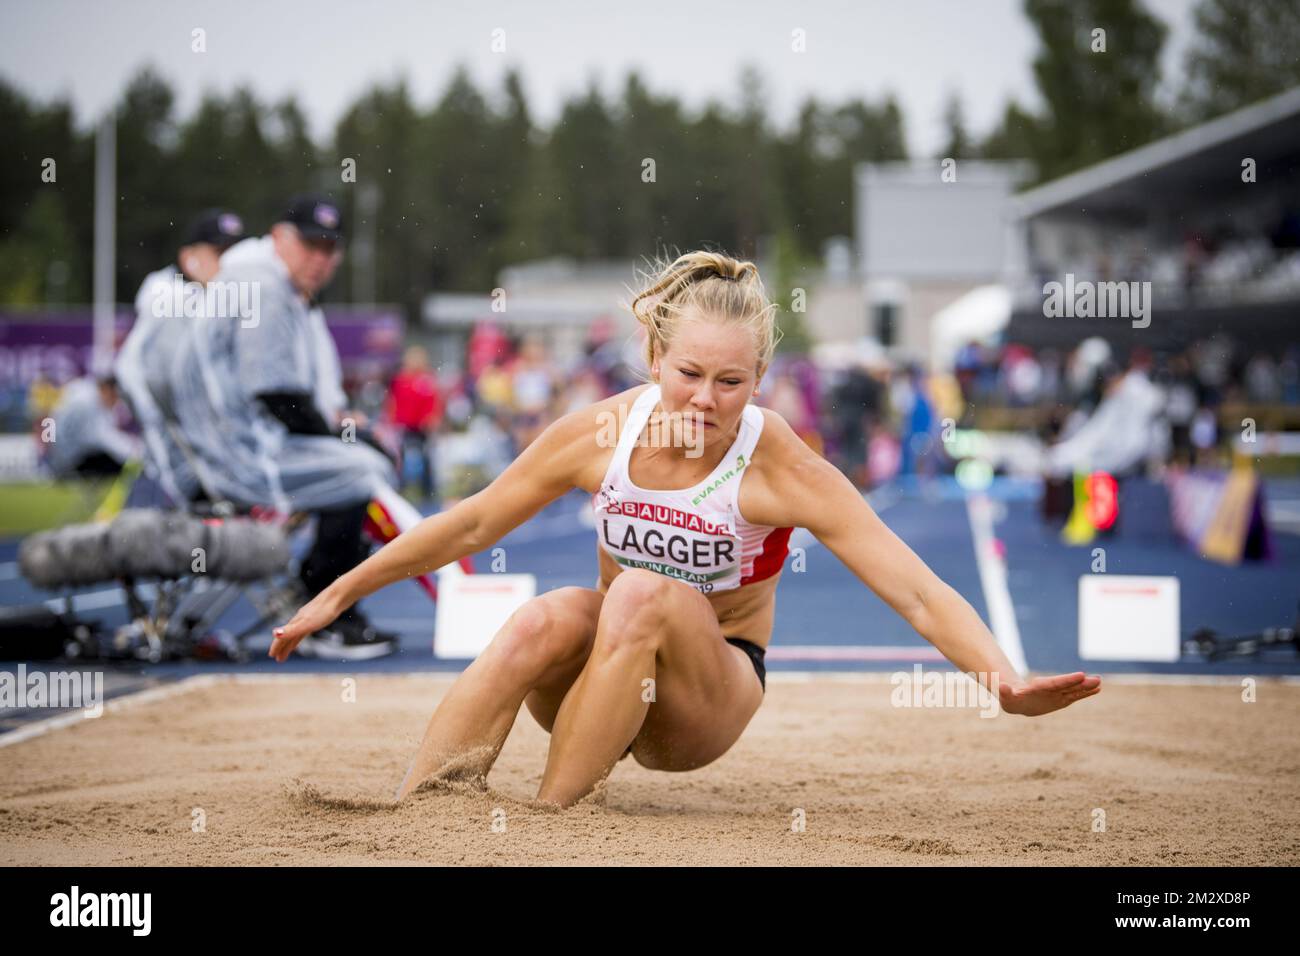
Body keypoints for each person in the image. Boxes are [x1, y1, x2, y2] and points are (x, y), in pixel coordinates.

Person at [270, 251, 1103, 807]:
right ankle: (424, 809)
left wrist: (1003, 681)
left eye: (732, 382)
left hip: (701, 703)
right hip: (597, 681)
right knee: (542, 616)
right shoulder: (601, 435)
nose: (706, 400)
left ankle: (544, 826)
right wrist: (339, 592)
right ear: (653, 357)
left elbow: (916, 591)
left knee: (637, 593)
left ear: (761, 379)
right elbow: (473, 521)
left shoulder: (779, 466)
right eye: (690, 375)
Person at [169, 194, 411, 659]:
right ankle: (322, 609)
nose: (320, 259)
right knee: (359, 469)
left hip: (224, 446)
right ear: (279, 238)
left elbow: (286, 396)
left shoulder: (266, 283)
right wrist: (342, 436)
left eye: (329, 249)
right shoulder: (264, 285)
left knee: (361, 454)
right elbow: (278, 395)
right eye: (310, 246)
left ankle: (322, 599)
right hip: (228, 458)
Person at [115, 208, 246, 503]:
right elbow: (135, 378)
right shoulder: (168, 300)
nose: (229, 263)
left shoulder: (231, 307)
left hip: (217, 467)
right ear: (188, 257)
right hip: (175, 467)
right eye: (219, 252)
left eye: (236, 253)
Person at [42, 374, 140, 479]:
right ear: (107, 389)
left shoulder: (81, 388)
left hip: (58, 450)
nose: (116, 402)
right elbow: (106, 438)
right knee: (121, 465)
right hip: (69, 459)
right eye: (115, 396)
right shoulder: (90, 403)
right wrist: (137, 452)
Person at [385, 345, 443, 501]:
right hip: (404, 425)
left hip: (422, 426)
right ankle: (401, 487)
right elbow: (393, 401)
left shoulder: (427, 380)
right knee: (402, 457)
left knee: (425, 456)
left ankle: (428, 490)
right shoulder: (400, 380)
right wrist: (391, 420)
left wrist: (433, 419)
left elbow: (434, 402)